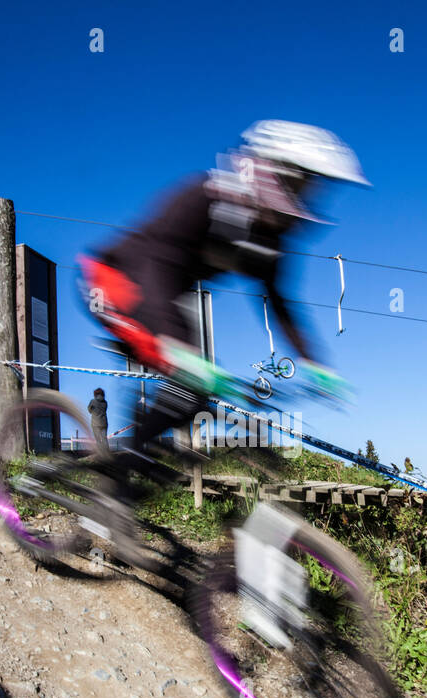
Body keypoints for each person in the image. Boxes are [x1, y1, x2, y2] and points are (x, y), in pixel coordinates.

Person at [78, 120, 367, 464]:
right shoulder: (203, 197)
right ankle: (120, 467)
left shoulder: (267, 241)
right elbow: (157, 266)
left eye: (314, 190)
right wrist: (178, 346)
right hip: (113, 282)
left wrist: (317, 366)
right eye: (303, 186)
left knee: (193, 395)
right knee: (190, 382)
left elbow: (279, 302)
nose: (308, 198)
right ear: (274, 173)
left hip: (163, 298)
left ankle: (131, 466)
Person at [87, 387, 109, 453]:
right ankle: (107, 453)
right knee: (104, 438)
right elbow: (104, 410)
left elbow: (89, 410)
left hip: (95, 423)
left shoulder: (93, 401)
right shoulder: (105, 402)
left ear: (95, 394)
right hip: (104, 422)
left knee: (98, 439)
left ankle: (101, 453)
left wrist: (93, 410)